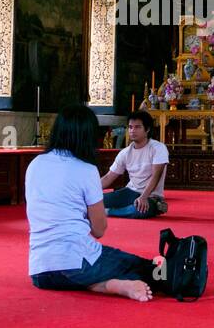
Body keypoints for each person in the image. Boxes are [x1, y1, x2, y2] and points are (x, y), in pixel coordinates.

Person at [26, 105, 164, 301]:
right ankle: (120, 282)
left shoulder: (35, 164)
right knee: (146, 269)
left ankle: (113, 285)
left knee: (81, 274)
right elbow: (99, 230)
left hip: (41, 270)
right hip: (76, 260)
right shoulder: (85, 169)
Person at [100, 110, 169, 218]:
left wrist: (144, 197)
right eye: (130, 127)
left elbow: (156, 176)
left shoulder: (158, 148)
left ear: (147, 129)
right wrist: (90, 192)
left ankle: (109, 212)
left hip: (150, 195)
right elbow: (109, 177)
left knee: (140, 210)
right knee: (96, 201)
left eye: (137, 127)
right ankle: (123, 210)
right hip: (130, 192)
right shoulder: (125, 153)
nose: (132, 131)